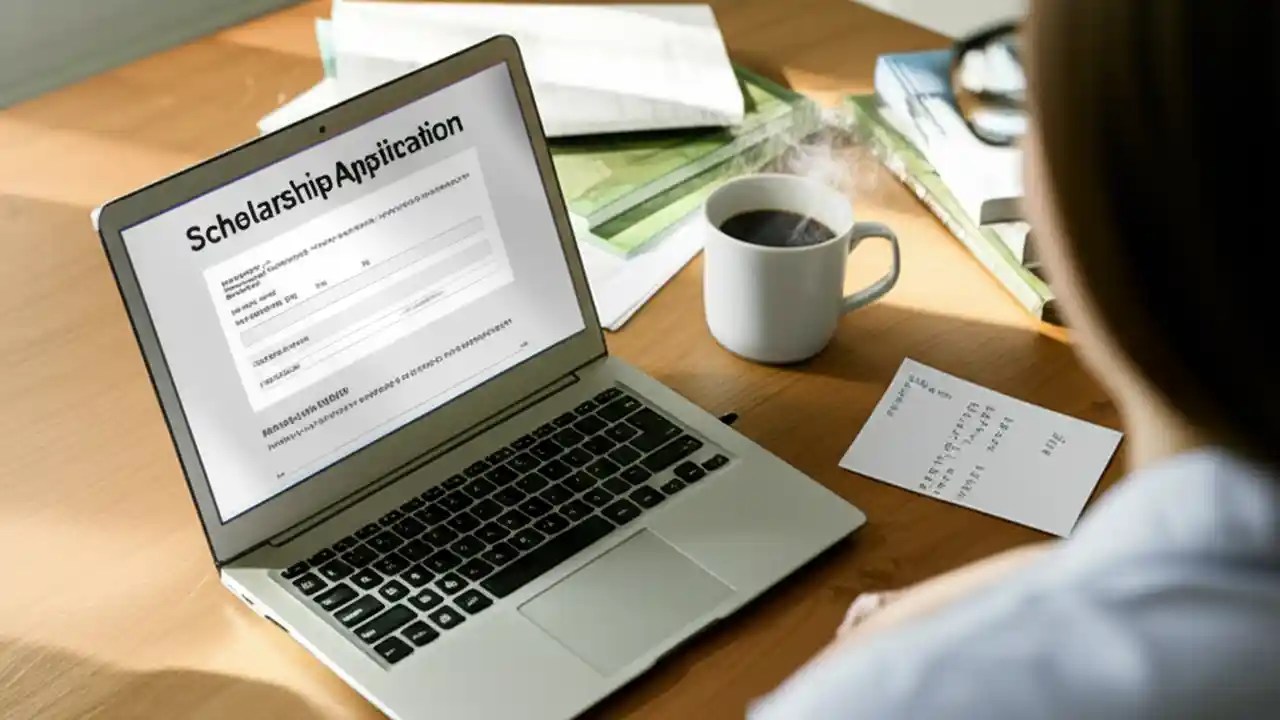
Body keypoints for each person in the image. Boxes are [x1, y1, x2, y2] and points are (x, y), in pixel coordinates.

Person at [750, 1, 1280, 717]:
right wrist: (1036, 574)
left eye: (1029, 84)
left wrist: (902, 658)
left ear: (1129, 185)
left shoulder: (906, 697)